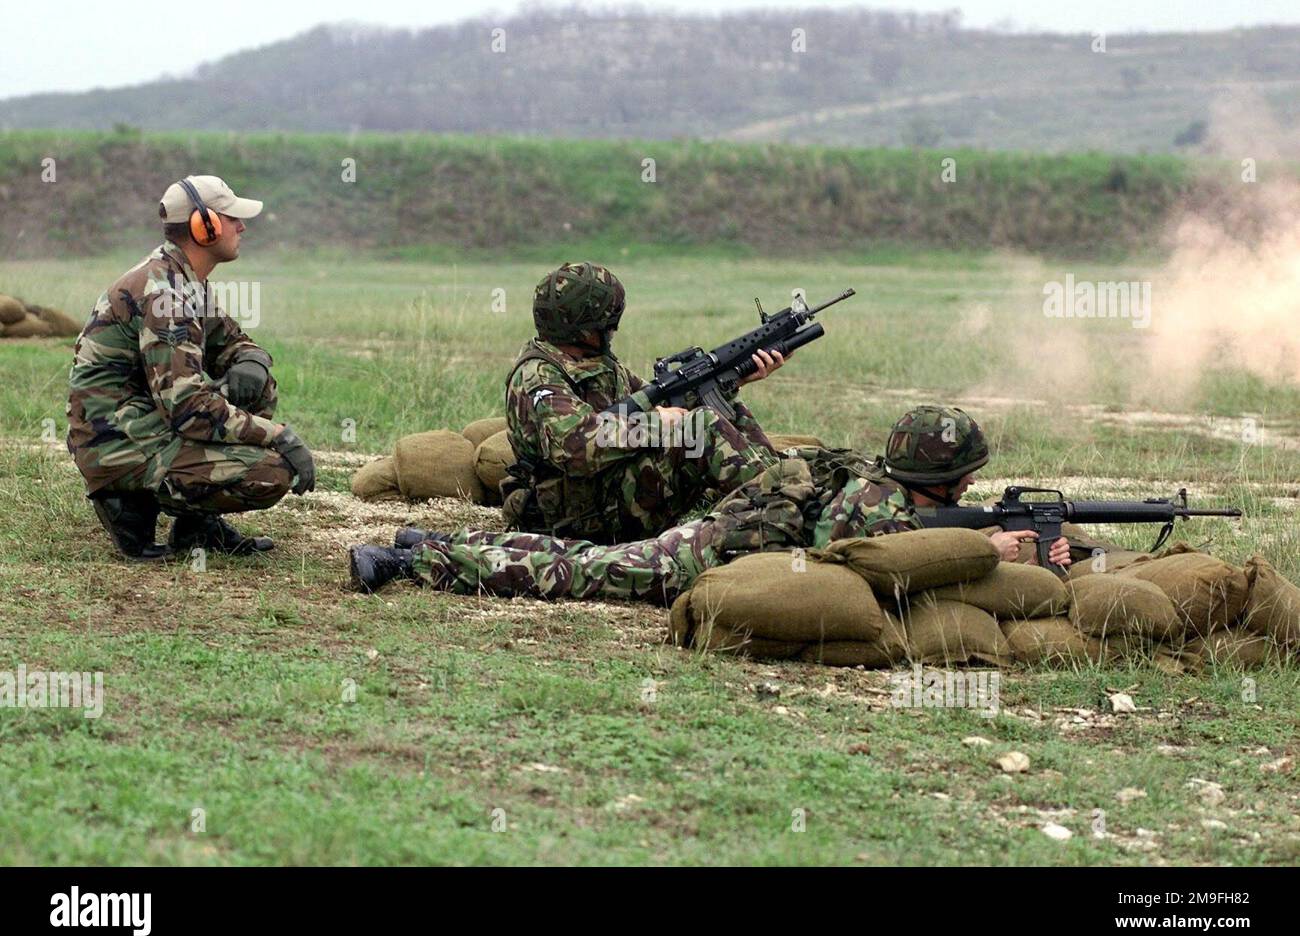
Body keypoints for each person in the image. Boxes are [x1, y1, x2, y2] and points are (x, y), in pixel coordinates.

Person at [348, 405, 1071, 597]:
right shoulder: (877, 512)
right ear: (942, 477)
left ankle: (423, 544)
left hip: (725, 535)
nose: (974, 487)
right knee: (586, 573)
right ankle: (412, 563)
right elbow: (887, 569)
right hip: (716, 551)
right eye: (967, 475)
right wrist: (990, 552)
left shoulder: (879, 485)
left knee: (595, 558)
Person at [66, 175, 316, 560]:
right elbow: (188, 410)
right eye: (233, 218)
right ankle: (126, 501)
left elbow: (235, 342)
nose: (242, 226)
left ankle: (196, 527)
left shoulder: (185, 280)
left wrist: (254, 360)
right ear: (205, 226)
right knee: (269, 472)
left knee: (256, 383)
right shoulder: (165, 296)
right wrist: (278, 435)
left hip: (142, 423)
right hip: (115, 442)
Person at [500, 260, 786, 544]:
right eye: (609, 322)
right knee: (702, 425)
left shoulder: (600, 365)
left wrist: (734, 379)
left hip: (604, 494)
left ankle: (784, 489)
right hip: (571, 516)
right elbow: (575, 446)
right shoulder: (537, 375)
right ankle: (784, 516)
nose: (614, 329)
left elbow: (666, 403)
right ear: (586, 329)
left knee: (726, 411)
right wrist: (659, 423)